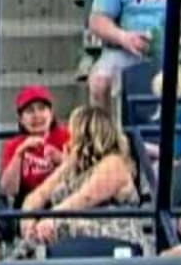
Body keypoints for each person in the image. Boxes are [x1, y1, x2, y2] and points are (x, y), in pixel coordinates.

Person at [21, 106, 148, 254]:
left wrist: (51, 217)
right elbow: (39, 195)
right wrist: (28, 218)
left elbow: (86, 197)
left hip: (112, 236)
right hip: (71, 237)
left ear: (85, 135)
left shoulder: (114, 163)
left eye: (71, 132)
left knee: (43, 241)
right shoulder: (71, 165)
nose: (68, 137)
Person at [0, 86, 70, 207]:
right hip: (26, 204)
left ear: (51, 114)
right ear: (21, 119)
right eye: (30, 111)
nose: (36, 115)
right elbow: (8, 190)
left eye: (42, 109)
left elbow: (83, 175)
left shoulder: (67, 136)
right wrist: (19, 154)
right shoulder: (13, 145)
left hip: (63, 201)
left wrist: (61, 159)